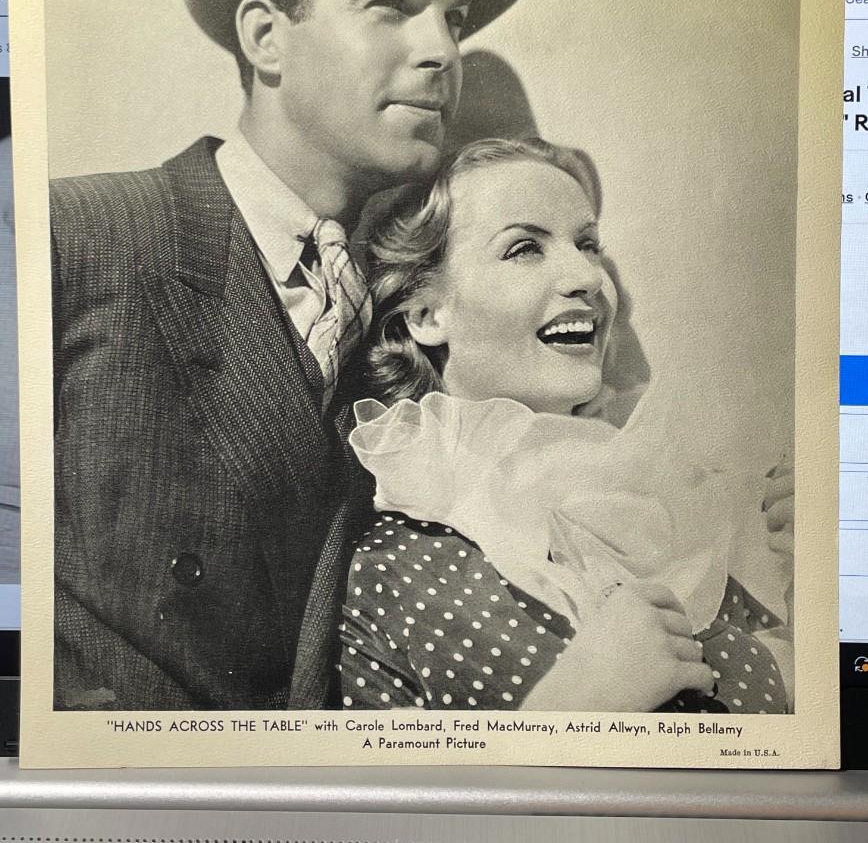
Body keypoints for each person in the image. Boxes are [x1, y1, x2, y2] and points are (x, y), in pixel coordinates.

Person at [50, 0, 528, 712]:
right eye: (392, 4)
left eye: (453, 17)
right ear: (266, 37)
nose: (443, 51)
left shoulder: (419, 328)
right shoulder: (76, 235)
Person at [339, 137, 793, 712]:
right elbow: (381, 799)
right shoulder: (391, 569)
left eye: (588, 245)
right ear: (428, 314)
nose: (587, 275)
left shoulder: (685, 505)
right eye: (525, 248)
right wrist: (578, 703)